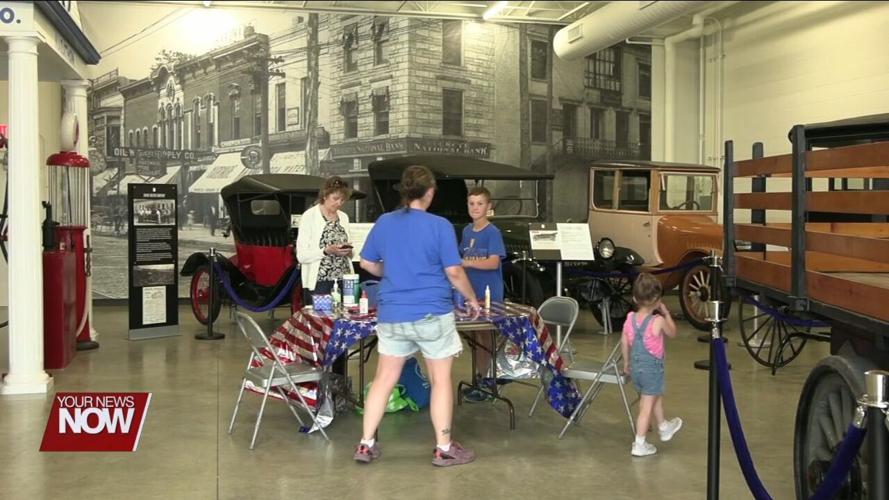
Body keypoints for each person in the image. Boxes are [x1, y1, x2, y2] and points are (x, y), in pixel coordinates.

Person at [355, 165, 480, 467]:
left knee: (384, 378)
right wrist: (471, 298)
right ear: (430, 192)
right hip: (431, 313)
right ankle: (444, 447)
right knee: (440, 380)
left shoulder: (385, 222)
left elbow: (367, 263)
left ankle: (366, 444)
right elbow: (454, 271)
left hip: (393, 313)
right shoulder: (440, 225)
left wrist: (394, 272)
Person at [296, 176, 354, 375]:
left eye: (342, 200)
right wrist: (326, 251)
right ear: (325, 196)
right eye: (335, 199)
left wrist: (348, 251)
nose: (339, 204)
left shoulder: (343, 217)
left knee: (342, 329)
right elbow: (302, 255)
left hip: (344, 282)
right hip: (320, 283)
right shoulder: (309, 217)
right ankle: (317, 376)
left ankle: (339, 377)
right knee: (321, 328)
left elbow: (350, 245)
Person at [621, 272, 682, 457]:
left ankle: (663, 427)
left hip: (636, 368)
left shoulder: (630, 318)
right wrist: (666, 313)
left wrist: (626, 362)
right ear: (657, 300)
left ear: (634, 298)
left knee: (653, 396)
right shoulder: (658, 321)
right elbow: (673, 333)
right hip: (652, 369)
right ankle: (639, 443)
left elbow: (624, 341)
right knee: (645, 407)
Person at [458, 186, 506, 403]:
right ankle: (479, 378)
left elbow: (494, 262)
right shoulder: (467, 231)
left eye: (480, 204)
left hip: (488, 294)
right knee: (475, 337)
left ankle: (488, 380)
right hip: (471, 293)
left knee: (485, 336)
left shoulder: (492, 232)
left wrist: (468, 263)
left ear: (488, 206)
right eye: (472, 203)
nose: (475, 208)